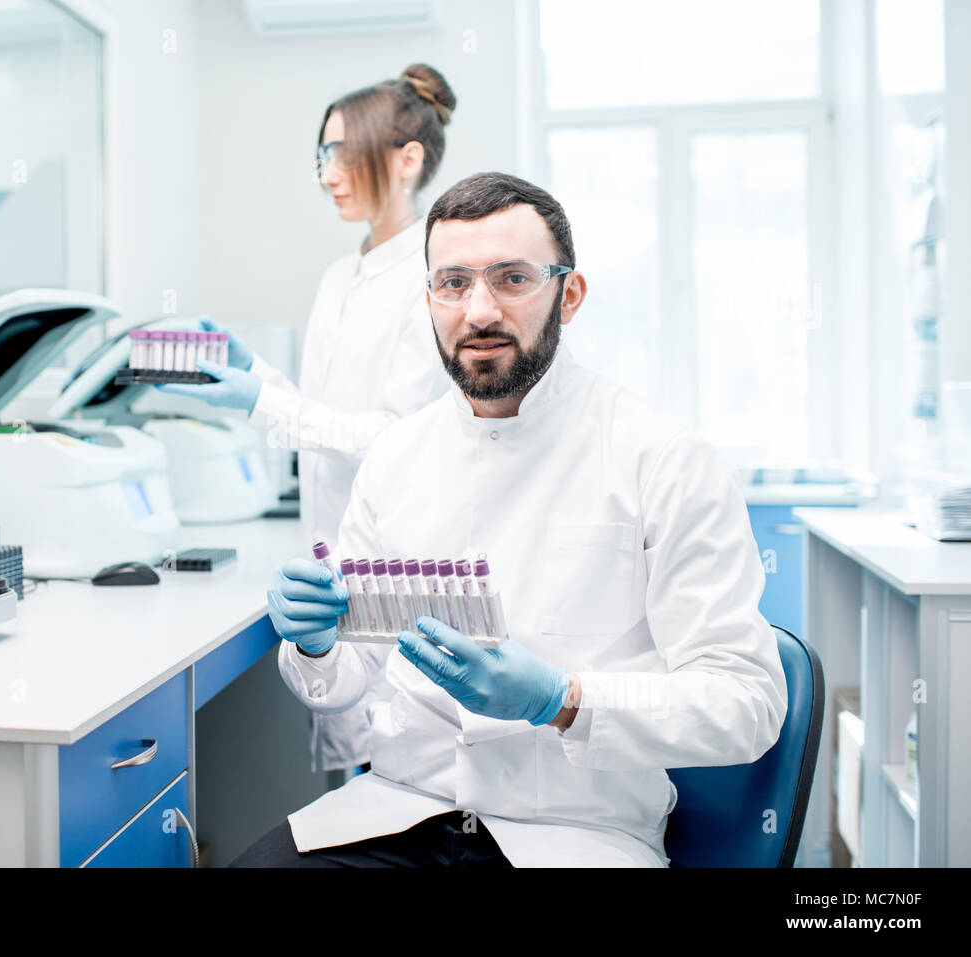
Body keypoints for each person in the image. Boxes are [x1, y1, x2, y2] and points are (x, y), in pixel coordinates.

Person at [232, 171, 789, 867]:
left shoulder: (665, 460)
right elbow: (349, 677)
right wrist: (316, 642)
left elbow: (748, 703)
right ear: (429, 299)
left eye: (512, 279)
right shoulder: (395, 457)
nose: (480, 310)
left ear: (570, 293)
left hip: (577, 833)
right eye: (453, 283)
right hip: (401, 807)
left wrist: (564, 699)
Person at [159, 65, 455, 776]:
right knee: (343, 762)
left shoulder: (432, 277)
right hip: (327, 558)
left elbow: (393, 434)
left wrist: (263, 404)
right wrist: (254, 371)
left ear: (406, 159)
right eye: (321, 156)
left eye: (341, 153)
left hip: (387, 565)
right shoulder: (338, 276)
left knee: (391, 777)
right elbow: (326, 409)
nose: (327, 174)